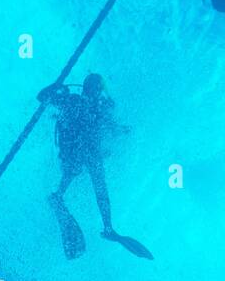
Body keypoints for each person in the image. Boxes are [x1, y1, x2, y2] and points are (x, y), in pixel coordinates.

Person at [39, 74, 153, 259]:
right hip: (82, 152)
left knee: (88, 177)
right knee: (97, 183)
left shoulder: (83, 103)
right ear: (96, 89)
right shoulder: (80, 102)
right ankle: (106, 226)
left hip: (80, 152)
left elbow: (43, 97)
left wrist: (56, 89)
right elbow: (43, 97)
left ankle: (60, 196)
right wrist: (58, 88)